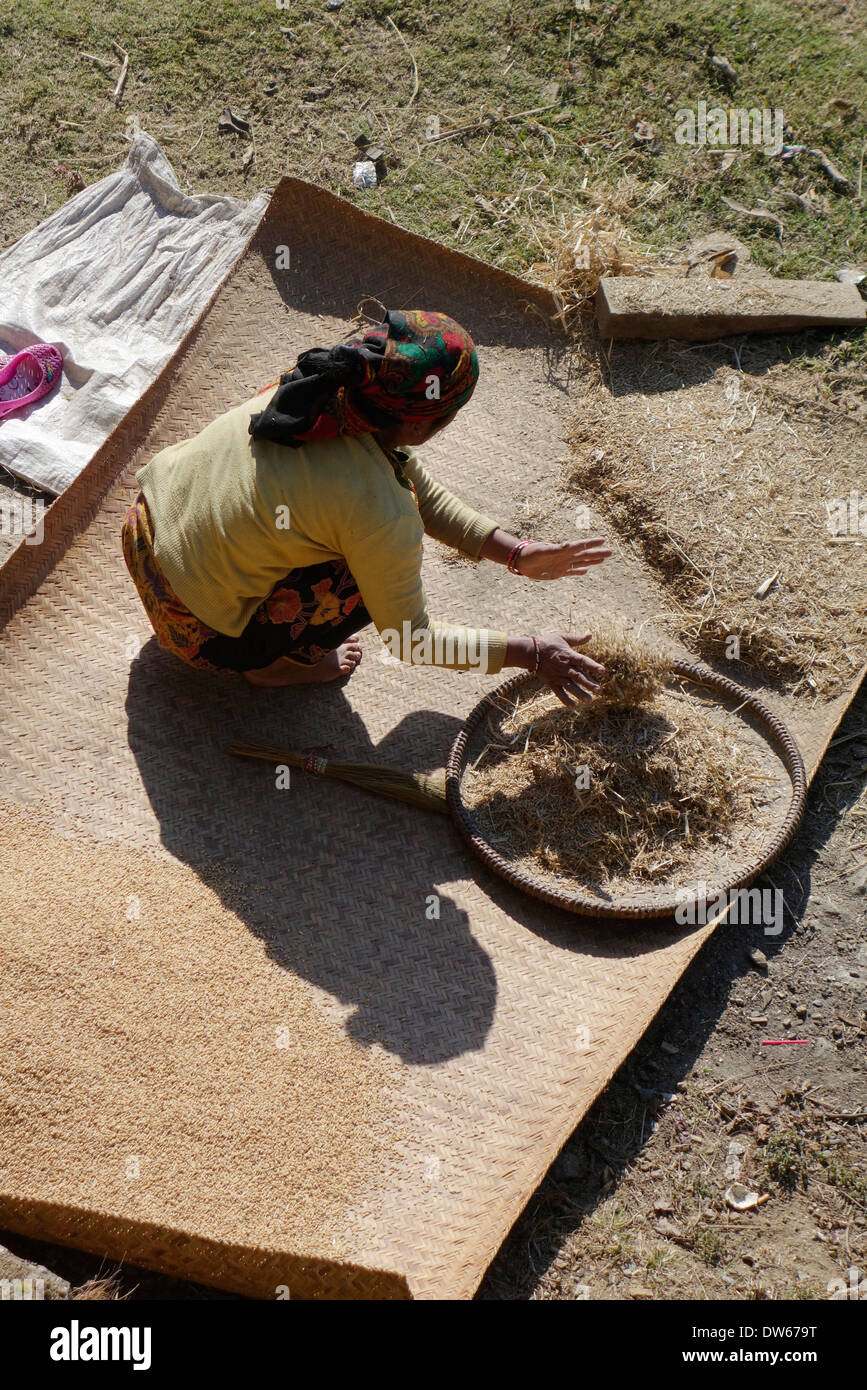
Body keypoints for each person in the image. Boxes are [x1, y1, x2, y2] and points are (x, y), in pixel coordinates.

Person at [122, 308, 610, 706]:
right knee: (359, 579)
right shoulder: (382, 512)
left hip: (145, 527)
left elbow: (403, 475)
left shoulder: (319, 387)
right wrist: (533, 654)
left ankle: (249, 614)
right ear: (420, 426)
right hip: (191, 626)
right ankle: (270, 668)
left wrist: (515, 553)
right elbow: (411, 640)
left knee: (335, 527)